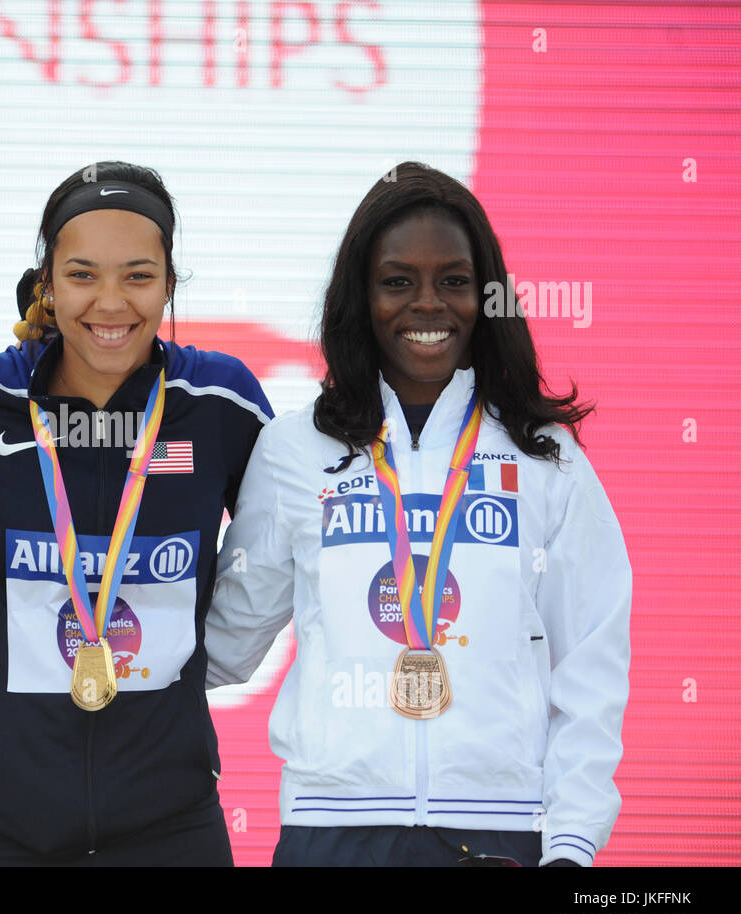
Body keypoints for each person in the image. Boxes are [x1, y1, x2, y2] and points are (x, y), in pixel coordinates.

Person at [203, 161, 632, 866]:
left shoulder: (544, 459)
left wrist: (572, 844)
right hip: (330, 832)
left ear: (486, 295)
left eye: (454, 281)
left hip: (501, 832)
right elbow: (222, 643)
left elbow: (591, 663)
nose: (427, 305)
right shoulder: (294, 450)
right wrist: (22, 660)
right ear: (360, 298)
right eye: (397, 281)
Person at [0, 161, 274, 865]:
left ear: (170, 282)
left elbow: (278, 546)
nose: (111, 302)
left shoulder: (221, 404)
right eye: (82, 275)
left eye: (138, 275)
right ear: (47, 283)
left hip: (169, 822)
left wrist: (205, 655)